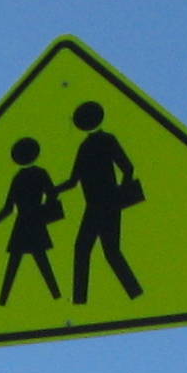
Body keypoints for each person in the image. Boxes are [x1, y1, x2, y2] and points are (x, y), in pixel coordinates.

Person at [54, 101, 144, 305]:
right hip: (95, 207)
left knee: (100, 250)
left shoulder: (106, 141)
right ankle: (84, 300)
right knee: (96, 250)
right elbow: (74, 181)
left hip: (106, 205)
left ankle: (133, 294)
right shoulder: (85, 146)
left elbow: (127, 168)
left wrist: (119, 195)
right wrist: (54, 191)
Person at [0, 136, 64, 305]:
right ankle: (56, 296)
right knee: (39, 261)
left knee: (17, 263)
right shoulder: (40, 174)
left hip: (23, 224)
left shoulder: (19, 177)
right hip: (34, 222)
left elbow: (8, 208)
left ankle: (3, 300)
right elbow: (52, 194)